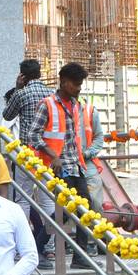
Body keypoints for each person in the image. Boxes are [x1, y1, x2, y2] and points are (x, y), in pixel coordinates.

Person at [25, 62, 106, 264]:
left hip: (76, 166)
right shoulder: (47, 104)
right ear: (64, 82)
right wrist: (52, 155)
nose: (79, 88)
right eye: (75, 84)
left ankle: (77, 255)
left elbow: (74, 138)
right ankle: (39, 247)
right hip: (57, 168)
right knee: (69, 210)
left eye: (80, 84)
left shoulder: (76, 105)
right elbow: (32, 135)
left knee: (82, 209)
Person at [3, 58, 53, 251]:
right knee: (48, 199)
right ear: (40, 73)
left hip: (27, 153)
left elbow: (7, 115)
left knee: (22, 198)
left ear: (22, 75)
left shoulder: (21, 94)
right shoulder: (51, 94)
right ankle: (50, 245)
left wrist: (17, 88)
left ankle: (22, 245)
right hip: (48, 153)